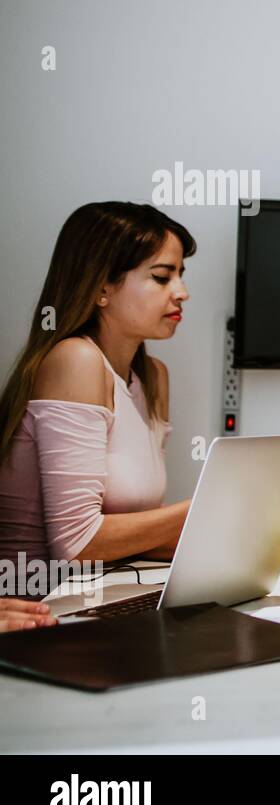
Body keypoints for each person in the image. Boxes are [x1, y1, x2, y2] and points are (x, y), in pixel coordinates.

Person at [0, 202, 194, 600]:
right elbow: (77, 546)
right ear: (102, 288)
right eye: (162, 277)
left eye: (180, 275)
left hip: (105, 593)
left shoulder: (154, 378)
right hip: (39, 608)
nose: (182, 293)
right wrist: (203, 510)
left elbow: (131, 531)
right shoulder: (76, 360)